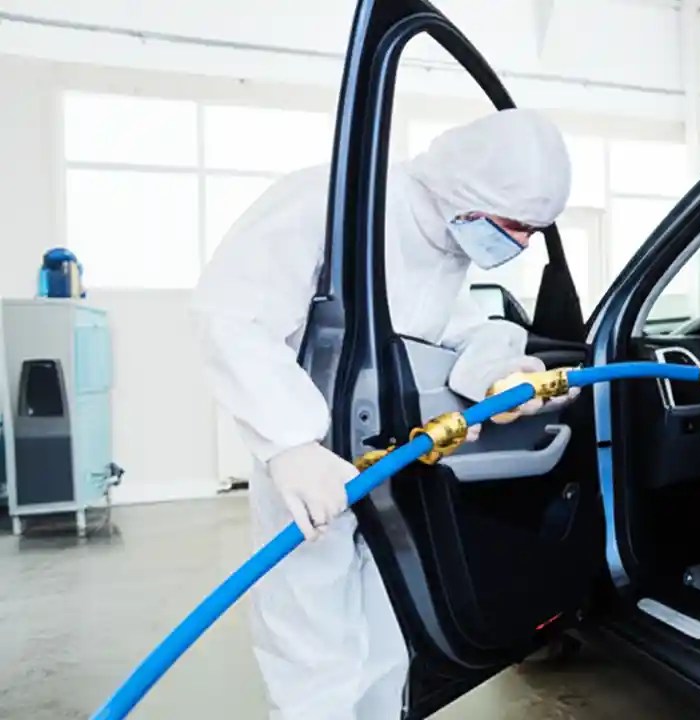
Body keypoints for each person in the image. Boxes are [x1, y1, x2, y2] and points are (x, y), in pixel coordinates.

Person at [190, 108, 576, 719]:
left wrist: (500, 369)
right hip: (313, 463)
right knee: (313, 639)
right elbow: (232, 317)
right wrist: (290, 444)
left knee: (388, 630)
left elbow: (445, 327)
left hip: (389, 458)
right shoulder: (330, 202)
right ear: (471, 195)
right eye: (516, 225)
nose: (523, 243)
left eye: (534, 230)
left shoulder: (448, 238)